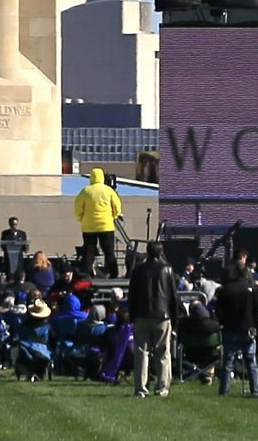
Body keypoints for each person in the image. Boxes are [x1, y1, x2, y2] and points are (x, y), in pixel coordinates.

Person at [129, 247, 176, 396]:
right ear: (160, 253)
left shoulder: (138, 269)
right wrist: (174, 319)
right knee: (163, 353)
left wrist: (132, 315)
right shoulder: (167, 269)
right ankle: (162, 388)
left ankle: (141, 388)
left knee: (141, 353)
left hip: (142, 315)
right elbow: (173, 296)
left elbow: (132, 294)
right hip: (162, 315)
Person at [215, 259, 258, 395]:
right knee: (251, 361)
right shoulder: (251, 289)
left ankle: (224, 390)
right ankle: (256, 391)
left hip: (230, 328)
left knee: (228, 362)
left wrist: (223, 322)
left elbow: (219, 310)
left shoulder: (225, 290)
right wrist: (255, 325)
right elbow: (257, 310)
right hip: (248, 328)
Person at [73, 166, 123, 278]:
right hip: (106, 226)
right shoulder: (109, 190)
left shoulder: (86, 191)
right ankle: (114, 274)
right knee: (109, 251)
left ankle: (86, 274)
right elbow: (117, 206)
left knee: (89, 250)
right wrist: (113, 216)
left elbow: (77, 207)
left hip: (89, 226)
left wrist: (81, 218)